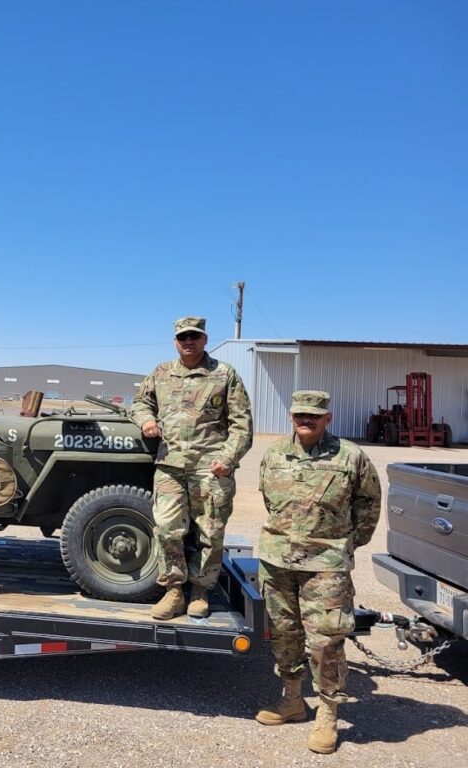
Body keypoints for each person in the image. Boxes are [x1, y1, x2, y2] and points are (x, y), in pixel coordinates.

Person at [255, 390, 381, 754]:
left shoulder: (350, 456)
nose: (305, 420)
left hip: (326, 565)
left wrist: (345, 544)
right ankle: (292, 701)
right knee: (283, 634)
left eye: (314, 415)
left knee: (326, 641)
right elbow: (268, 499)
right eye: (299, 414)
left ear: (328, 418)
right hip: (278, 560)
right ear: (291, 416)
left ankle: (328, 714)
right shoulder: (275, 453)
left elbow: (369, 505)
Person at [130, 316, 252, 619]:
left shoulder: (224, 374)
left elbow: (242, 424)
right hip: (170, 466)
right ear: (175, 341)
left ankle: (200, 591)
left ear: (204, 340)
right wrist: (146, 420)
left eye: (194, 336)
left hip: (210, 468)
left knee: (209, 532)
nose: (189, 341)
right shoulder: (160, 373)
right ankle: (173, 592)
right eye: (183, 337)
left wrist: (228, 458)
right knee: (168, 530)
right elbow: (139, 402)